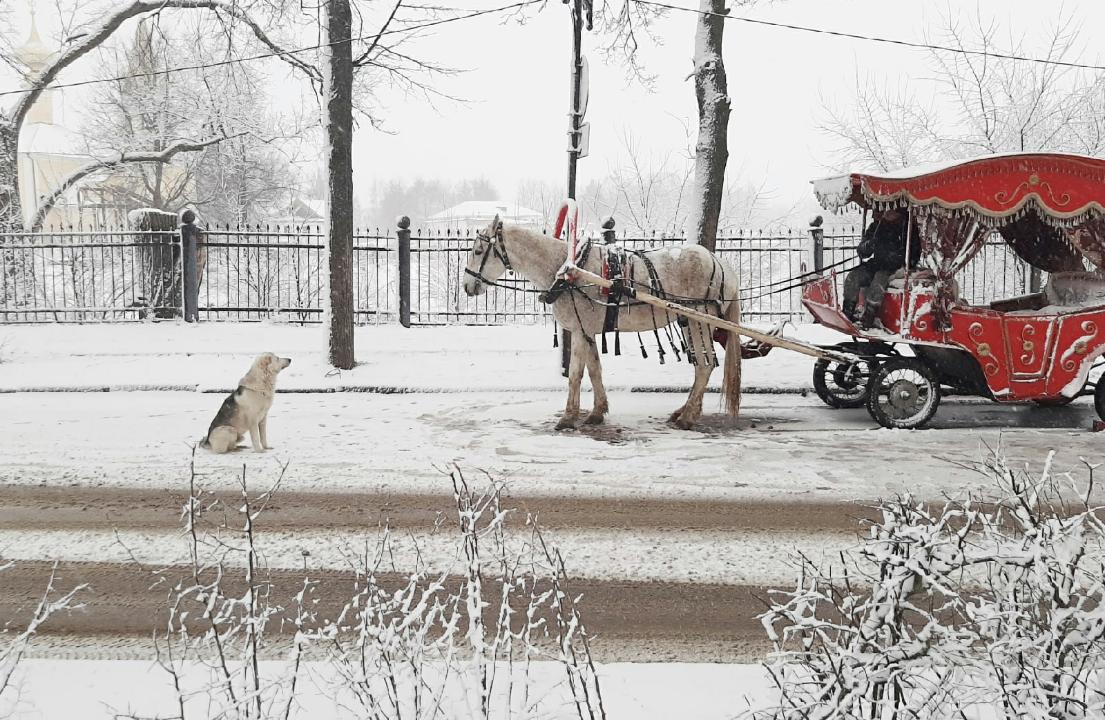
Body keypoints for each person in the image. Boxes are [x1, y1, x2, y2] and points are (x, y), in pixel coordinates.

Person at [842, 208, 920, 329]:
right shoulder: (876, 226)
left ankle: (869, 317)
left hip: (896, 267)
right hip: (877, 263)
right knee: (854, 276)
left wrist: (897, 257)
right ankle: (847, 312)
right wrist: (869, 245)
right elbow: (862, 251)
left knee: (879, 280)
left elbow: (914, 255)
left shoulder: (907, 227)